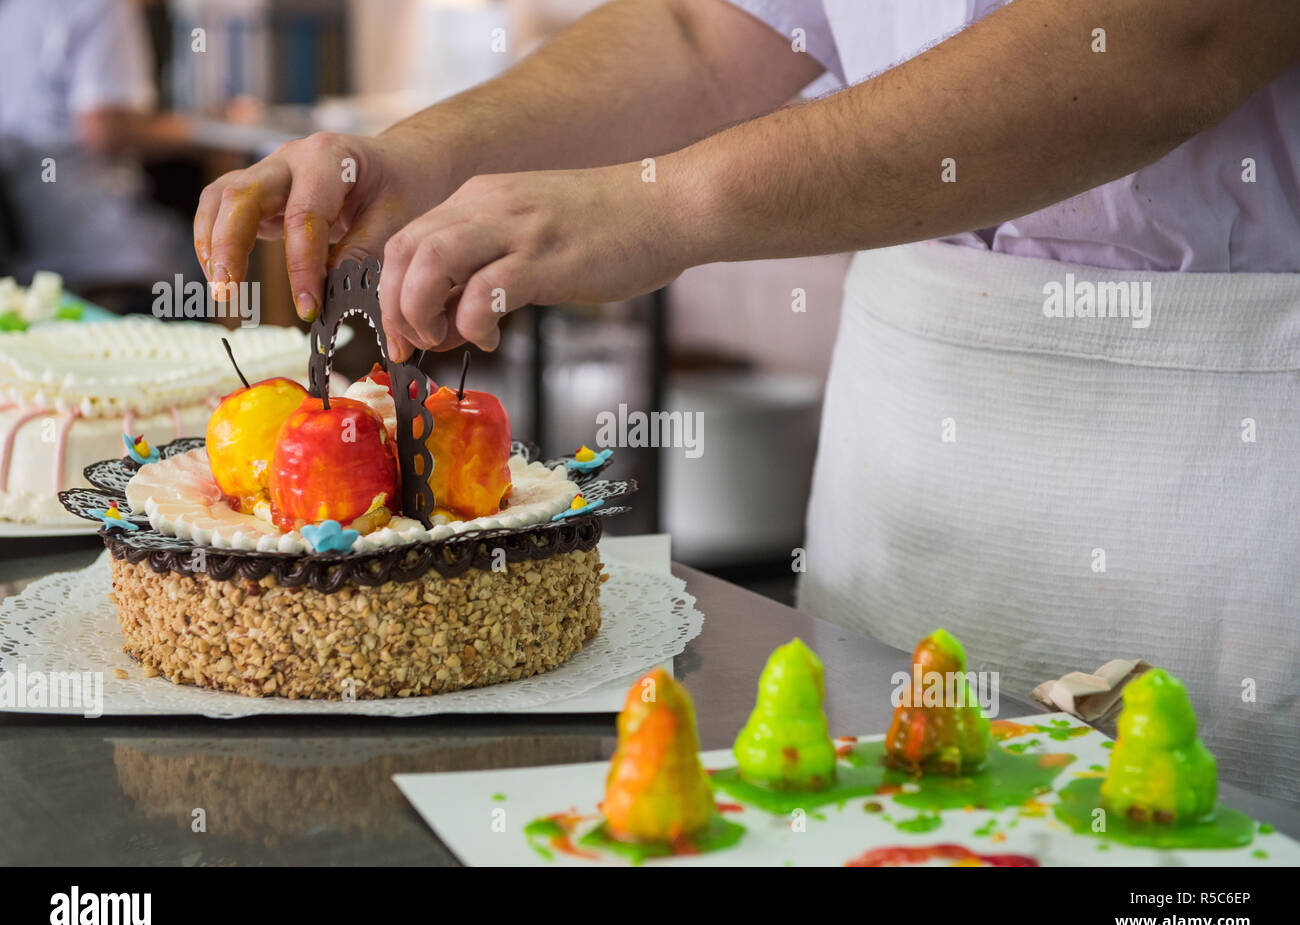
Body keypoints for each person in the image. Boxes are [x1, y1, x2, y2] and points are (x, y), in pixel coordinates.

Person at [193, 0, 1300, 804]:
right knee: (861, 809)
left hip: (1227, 451)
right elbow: (705, 25)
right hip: (913, 446)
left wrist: (668, 204)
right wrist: (419, 158)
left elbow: (1175, 32)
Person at [0, 0, 195, 297]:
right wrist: (203, 127)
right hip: (101, 250)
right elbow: (104, 129)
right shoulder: (103, 5)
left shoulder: (17, 9)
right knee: (217, 258)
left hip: (28, 256)